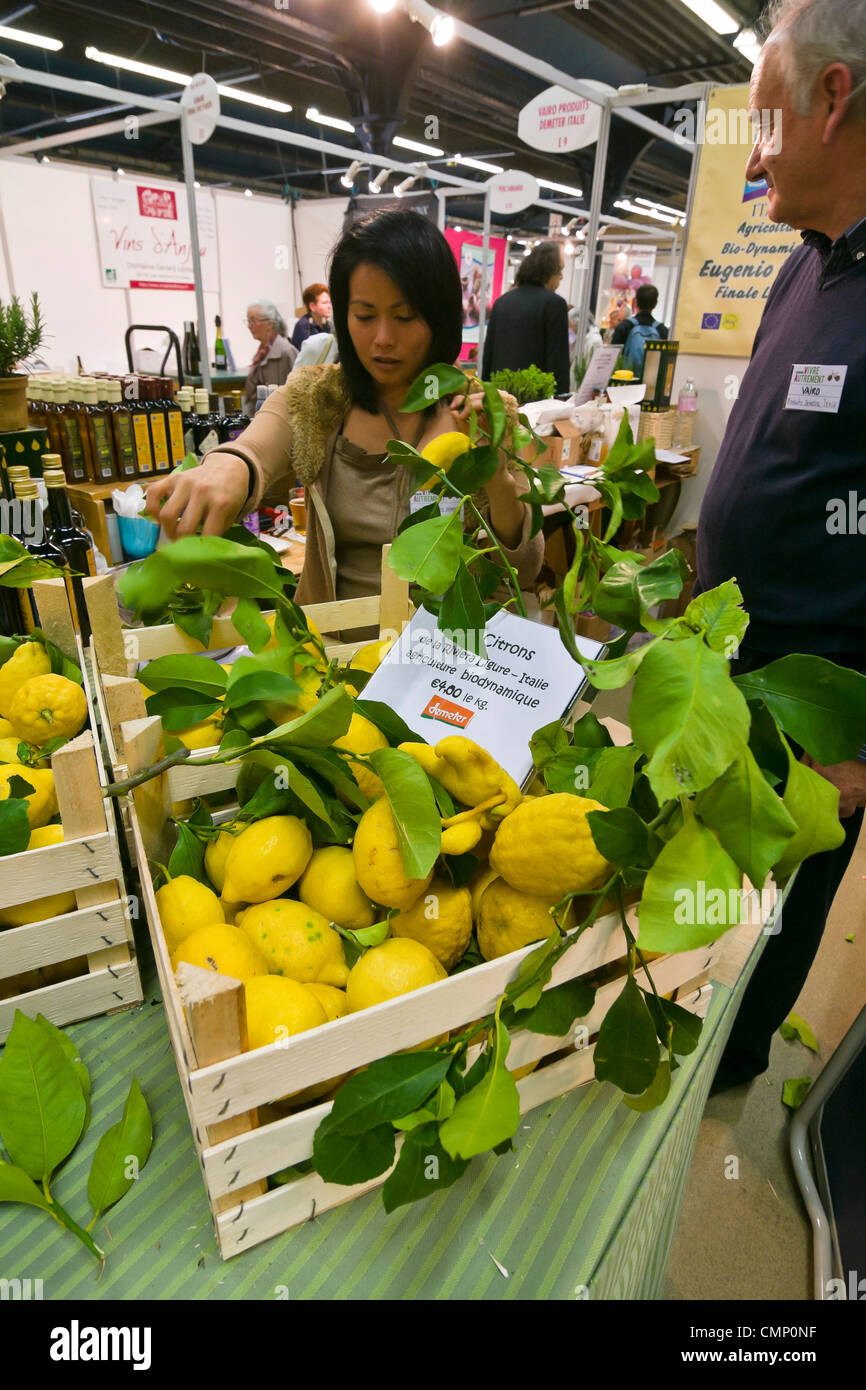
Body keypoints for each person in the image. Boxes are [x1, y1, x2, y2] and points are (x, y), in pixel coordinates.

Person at [695, 0, 866, 1092]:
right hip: (732, 674)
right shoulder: (803, 267)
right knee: (703, 903)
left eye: (761, 122)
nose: (751, 155)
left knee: (761, 931)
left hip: (819, 713)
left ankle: (724, 1082)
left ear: (831, 98)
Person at [144, 210, 543, 607]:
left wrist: (496, 476)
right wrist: (228, 466)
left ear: (439, 318)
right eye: (365, 316)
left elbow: (524, 569)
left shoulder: (486, 413)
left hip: (446, 658)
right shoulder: (318, 399)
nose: (383, 338)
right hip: (336, 654)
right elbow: (255, 449)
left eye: (405, 317)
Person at [481, 241, 571, 395]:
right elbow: (558, 363)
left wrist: (486, 396)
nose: (562, 277)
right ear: (549, 269)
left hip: (499, 401)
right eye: (560, 270)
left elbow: (488, 356)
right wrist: (561, 404)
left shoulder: (501, 302)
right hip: (535, 405)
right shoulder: (555, 304)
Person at [243, 300, 297, 416]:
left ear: (270, 324)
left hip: (279, 418)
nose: (249, 326)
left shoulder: (286, 351)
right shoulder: (262, 352)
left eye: (253, 321)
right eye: (248, 321)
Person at [610, 285, 668, 374]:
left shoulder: (624, 327)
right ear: (655, 304)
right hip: (650, 384)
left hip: (624, 383)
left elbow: (612, 360)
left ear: (635, 301)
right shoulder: (663, 331)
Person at [291, 283, 334, 351]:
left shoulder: (329, 325)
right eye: (324, 303)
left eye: (329, 303)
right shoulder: (303, 326)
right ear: (312, 307)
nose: (329, 306)